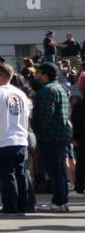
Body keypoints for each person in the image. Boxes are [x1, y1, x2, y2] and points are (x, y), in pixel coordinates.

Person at [0, 63, 33, 214]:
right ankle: (23, 205)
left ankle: (10, 206)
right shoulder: (21, 94)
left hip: (2, 140)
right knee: (21, 174)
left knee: (7, 175)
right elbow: (26, 117)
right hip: (20, 139)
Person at [31, 62, 72, 213]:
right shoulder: (60, 87)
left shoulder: (47, 90)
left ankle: (59, 201)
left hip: (50, 137)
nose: (36, 76)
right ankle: (62, 200)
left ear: (45, 75)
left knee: (55, 171)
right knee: (60, 169)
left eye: (38, 73)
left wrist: (39, 133)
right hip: (61, 135)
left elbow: (45, 116)